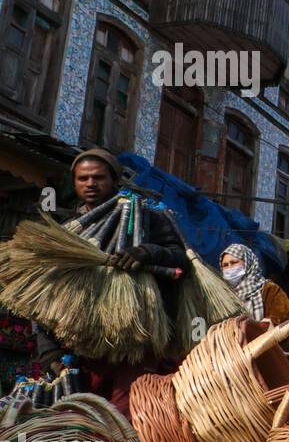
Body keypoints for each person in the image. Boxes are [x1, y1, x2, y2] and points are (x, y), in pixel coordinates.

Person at [34, 148, 188, 417]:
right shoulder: (67, 229)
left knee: (127, 418)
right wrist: (50, 352)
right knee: (85, 417)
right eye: (83, 178)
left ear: (114, 180)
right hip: (84, 343)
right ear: (75, 182)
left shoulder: (148, 217)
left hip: (137, 341)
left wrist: (147, 252)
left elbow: (180, 260)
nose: (90, 184)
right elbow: (45, 291)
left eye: (98, 177)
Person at [219, 244, 289, 325]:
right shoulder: (223, 294)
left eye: (234, 262)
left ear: (247, 263)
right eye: (225, 265)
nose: (230, 268)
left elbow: (282, 321)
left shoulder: (270, 290)